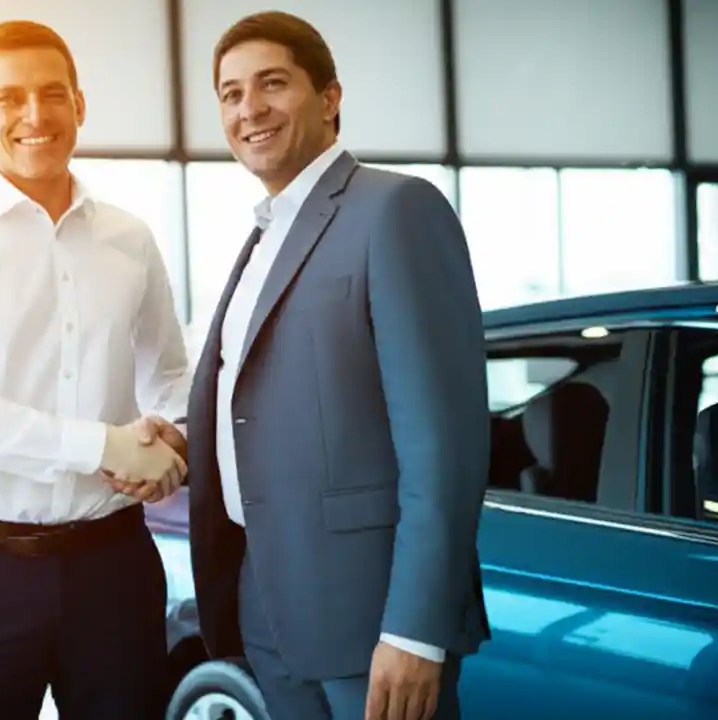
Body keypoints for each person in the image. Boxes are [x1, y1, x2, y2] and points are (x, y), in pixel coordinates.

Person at [180, 11, 492, 720]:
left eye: (272, 84)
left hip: (370, 614)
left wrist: (415, 628)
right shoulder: (265, 234)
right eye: (230, 93)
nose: (249, 108)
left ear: (329, 98)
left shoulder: (396, 209)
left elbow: (443, 443)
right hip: (269, 599)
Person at [0, 20, 189, 719]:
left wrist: (172, 440)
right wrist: (103, 445)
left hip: (116, 568)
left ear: (79, 105)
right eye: (9, 98)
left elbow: (171, 377)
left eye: (53, 94)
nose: (34, 114)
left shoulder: (129, 238)